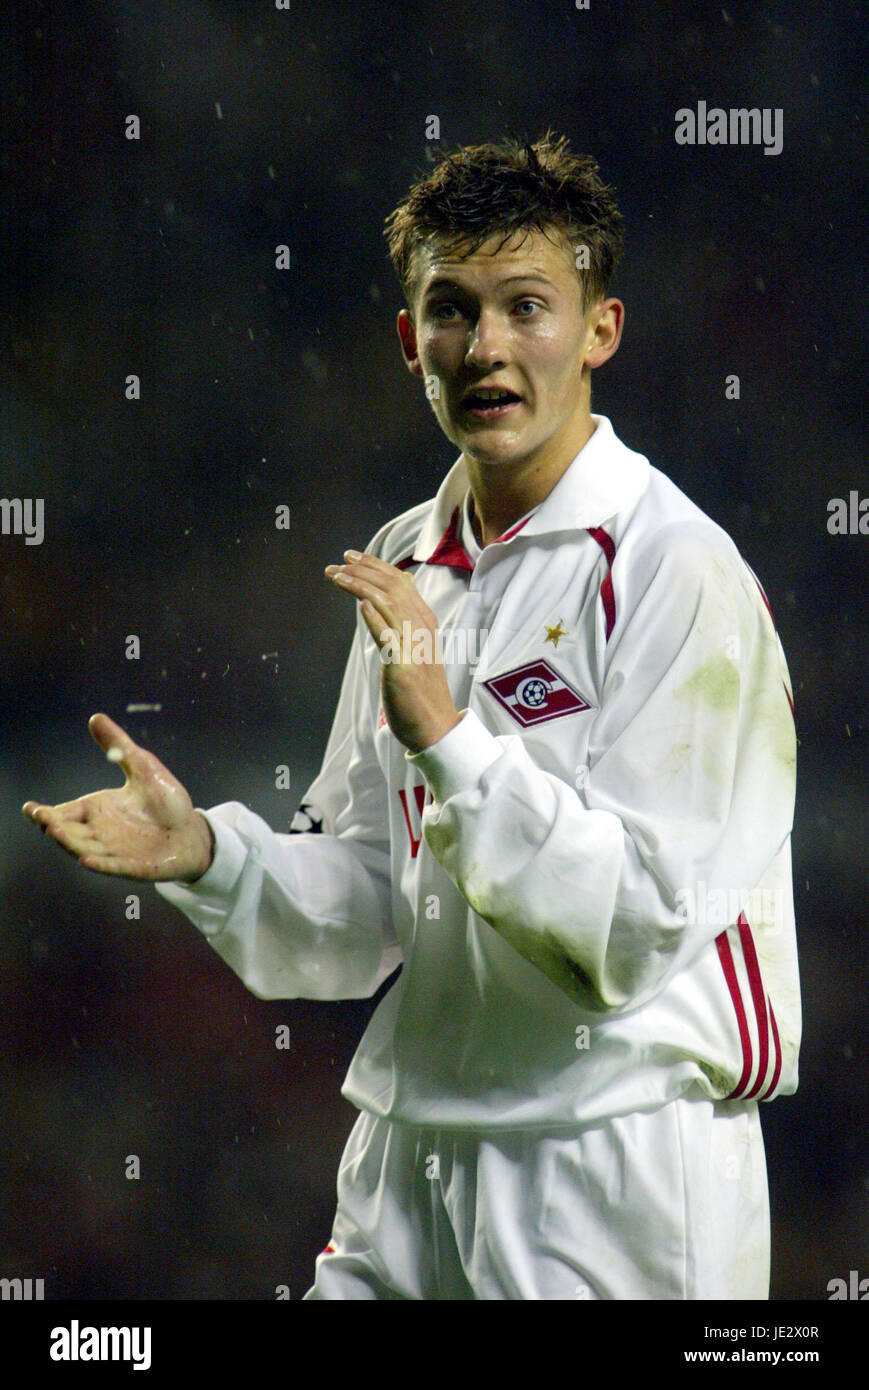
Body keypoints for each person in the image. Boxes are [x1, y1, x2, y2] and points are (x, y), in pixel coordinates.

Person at [23, 132, 800, 1300]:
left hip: (615, 1162)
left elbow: (638, 923)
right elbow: (372, 902)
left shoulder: (674, 570)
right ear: (407, 343)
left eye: (524, 305)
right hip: (411, 1147)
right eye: (450, 309)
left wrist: (450, 738)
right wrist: (212, 854)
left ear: (601, 329)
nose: (484, 346)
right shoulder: (405, 561)